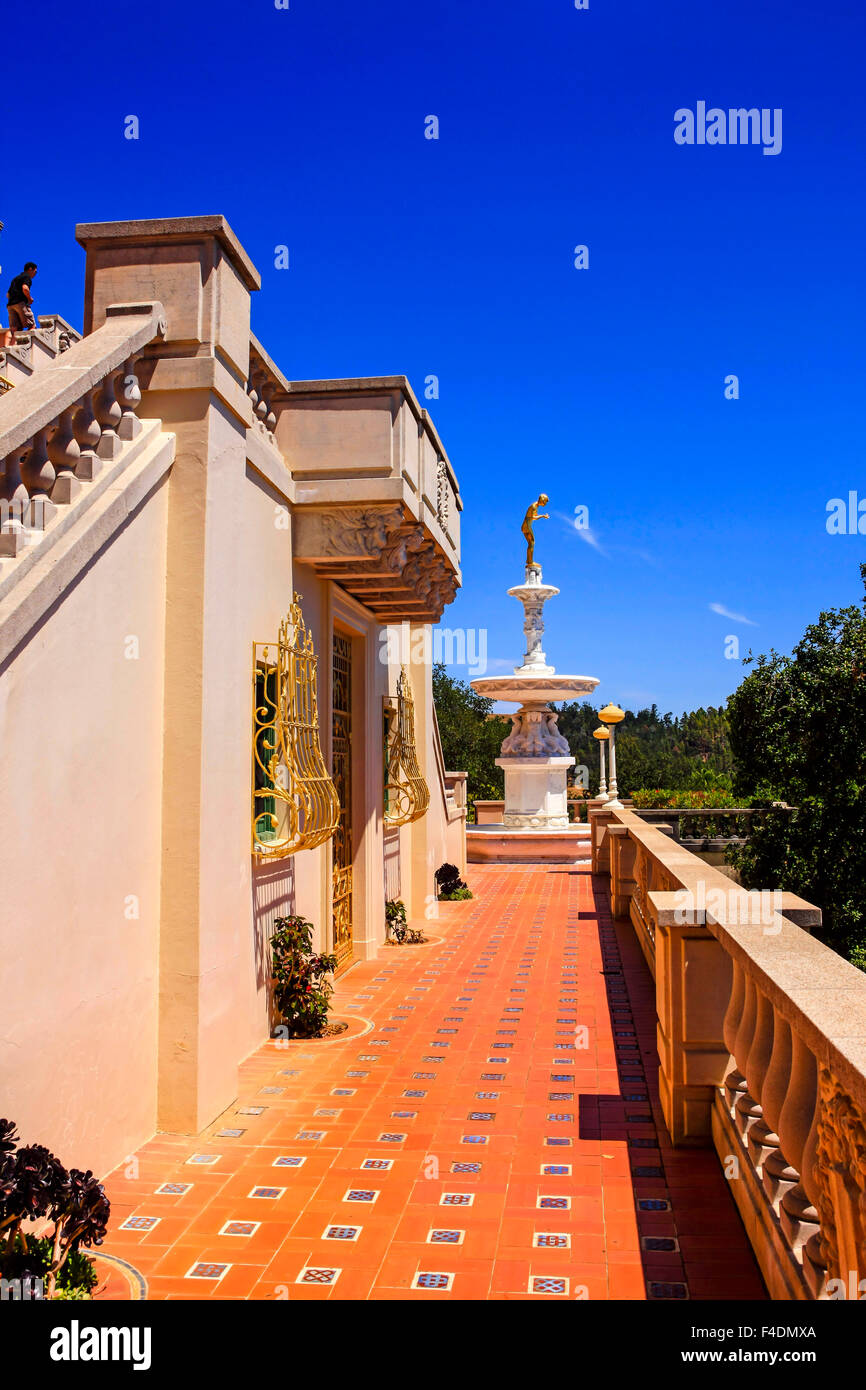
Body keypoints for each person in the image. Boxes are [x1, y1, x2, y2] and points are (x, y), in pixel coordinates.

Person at [7, 262, 38, 332]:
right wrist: (29, 299)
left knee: (15, 329)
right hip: (21, 303)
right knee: (31, 326)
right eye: (35, 272)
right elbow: (25, 288)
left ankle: (13, 343)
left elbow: (8, 294)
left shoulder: (15, 279)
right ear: (30, 269)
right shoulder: (27, 277)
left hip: (10, 305)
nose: (35, 274)